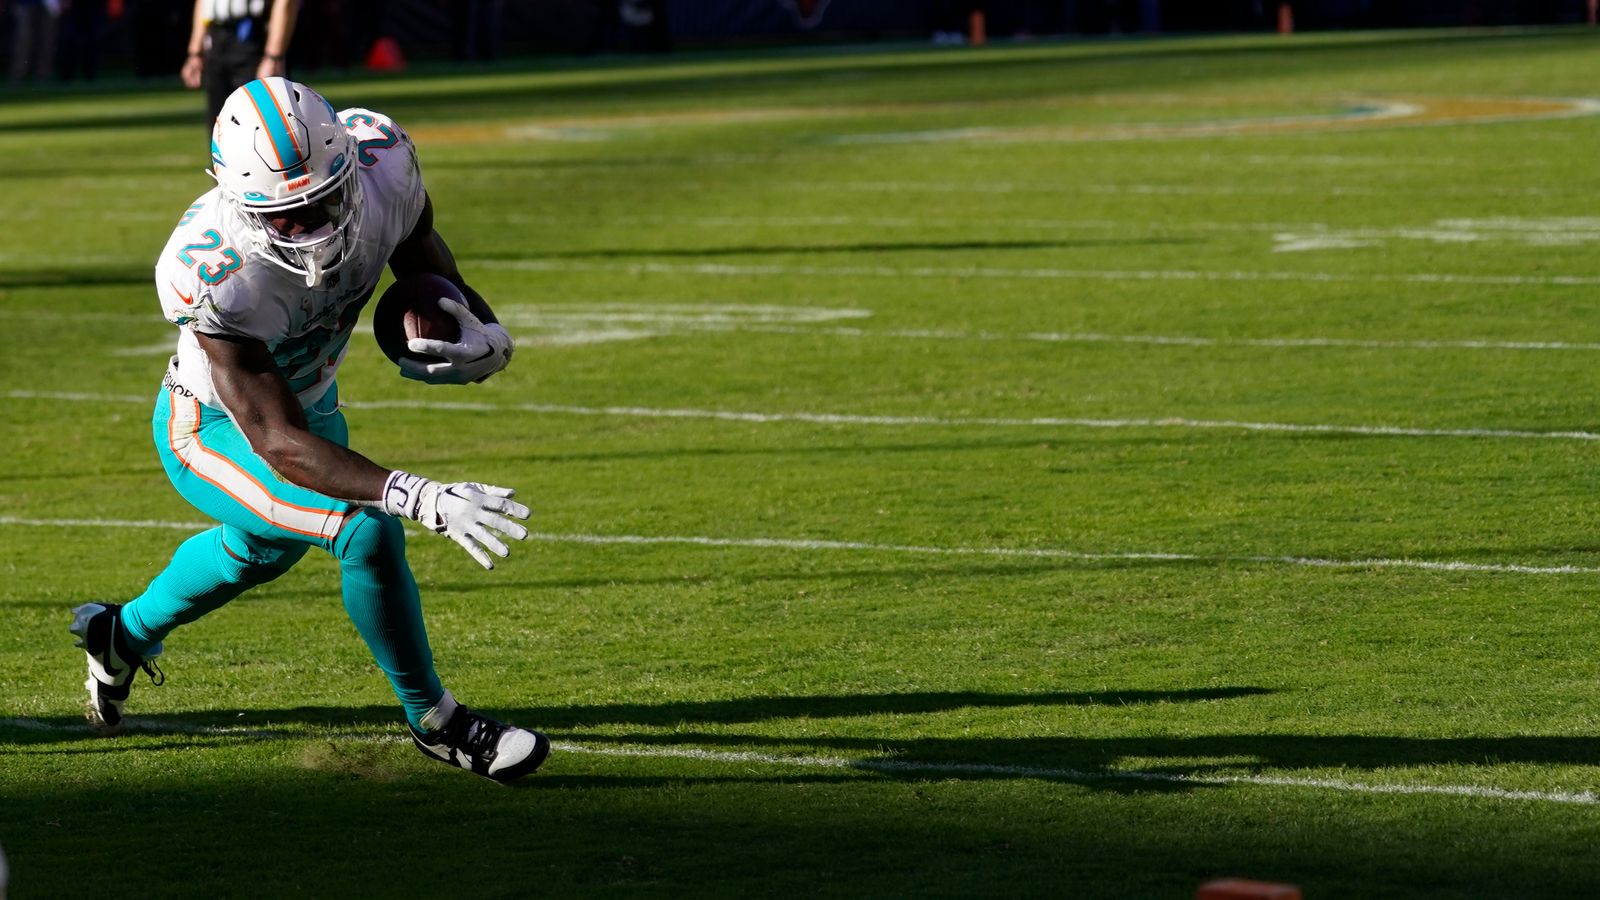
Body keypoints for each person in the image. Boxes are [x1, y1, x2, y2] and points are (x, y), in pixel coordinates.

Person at [68, 77, 549, 784]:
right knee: (365, 527)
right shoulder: (212, 271)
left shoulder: (384, 162)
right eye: (287, 215)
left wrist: (482, 327)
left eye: (323, 198)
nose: (313, 225)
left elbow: (421, 260)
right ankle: (439, 723)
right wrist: (421, 497)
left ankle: (120, 636)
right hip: (216, 429)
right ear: (240, 202)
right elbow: (274, 440)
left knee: (256, 552)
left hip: (313, 404)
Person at [181, 0, 297, 123]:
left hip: (252, 37)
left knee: (259, 122)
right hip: (216, 38)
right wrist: (195, 52)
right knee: (219, 122)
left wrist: (273, 55)